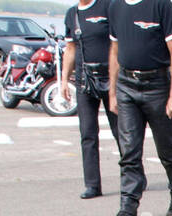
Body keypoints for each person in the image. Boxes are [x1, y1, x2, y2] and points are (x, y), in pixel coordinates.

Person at [106, 0, 172, 216]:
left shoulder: (161, 5)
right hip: (126, 86)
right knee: (129, 151)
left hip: (157, 86)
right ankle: (128, 210)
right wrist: (112, 93)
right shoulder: (115, 6)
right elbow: (114, 51)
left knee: (167, 149)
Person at [62, 0, 119, 199]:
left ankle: (133, 176)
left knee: (120, 131)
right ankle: (92, 185)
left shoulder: (107, 7)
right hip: (85, 81)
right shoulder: (72, 14)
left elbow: (117, 43)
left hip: (109, 77)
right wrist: (63, 81)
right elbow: (70, 49)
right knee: (88, 133)